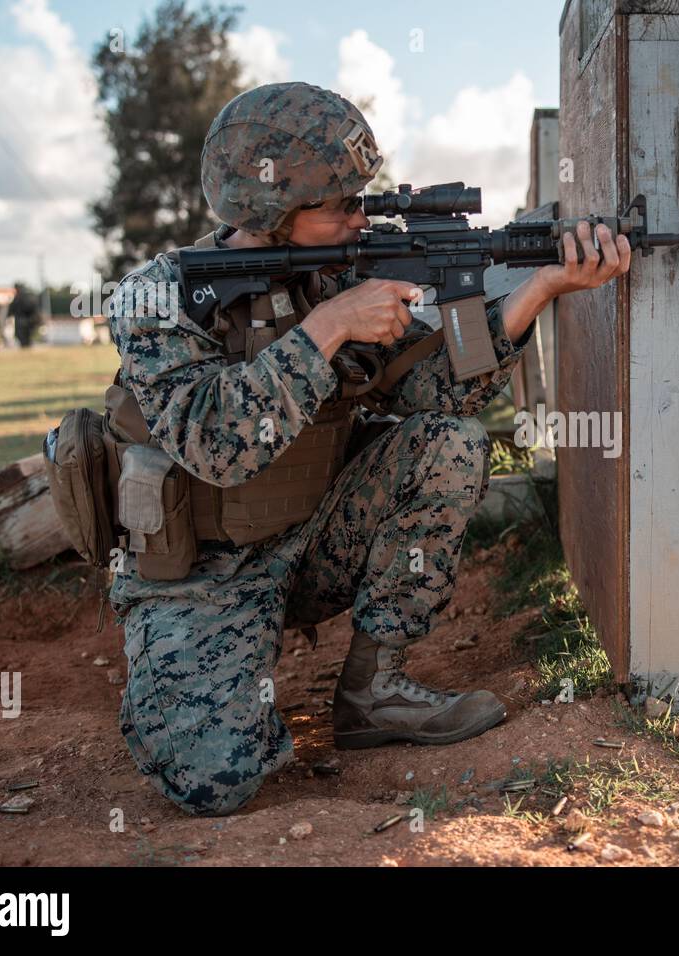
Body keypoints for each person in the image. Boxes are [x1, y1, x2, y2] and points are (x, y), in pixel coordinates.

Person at [106, 81, 631, 815]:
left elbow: (435, 401)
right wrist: (328, 328)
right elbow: (216, 444)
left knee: (447, 445)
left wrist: (539, 288)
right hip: (201, 570)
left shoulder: (343, 268)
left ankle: (372, 691)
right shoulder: (156, 298)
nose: (362, 216)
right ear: (269, 207)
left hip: (316, 538)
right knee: (213, 783)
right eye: (340, 204)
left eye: (364, 196)